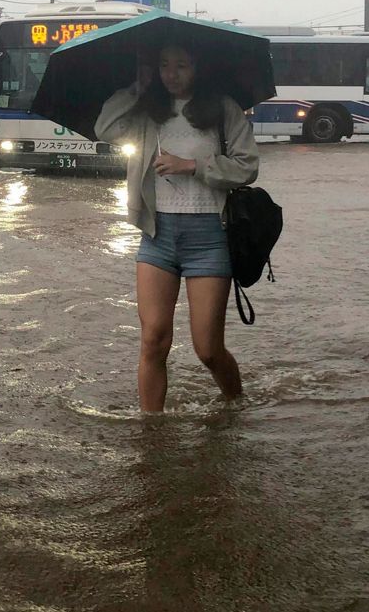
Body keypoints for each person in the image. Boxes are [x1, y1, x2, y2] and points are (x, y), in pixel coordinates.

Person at [95, 40, 259, 413]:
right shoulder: (147, 112)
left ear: (199, 67)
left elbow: (248, 166)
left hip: (210, 239)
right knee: (153, 339)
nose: (172, 74)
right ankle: (151, 432)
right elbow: (104, 127)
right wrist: (137, 86)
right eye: (164, 65)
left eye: (181, 65)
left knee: (207, 349)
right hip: (157, 236)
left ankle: (235, 404)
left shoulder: (223, 109)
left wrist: (193, 166)